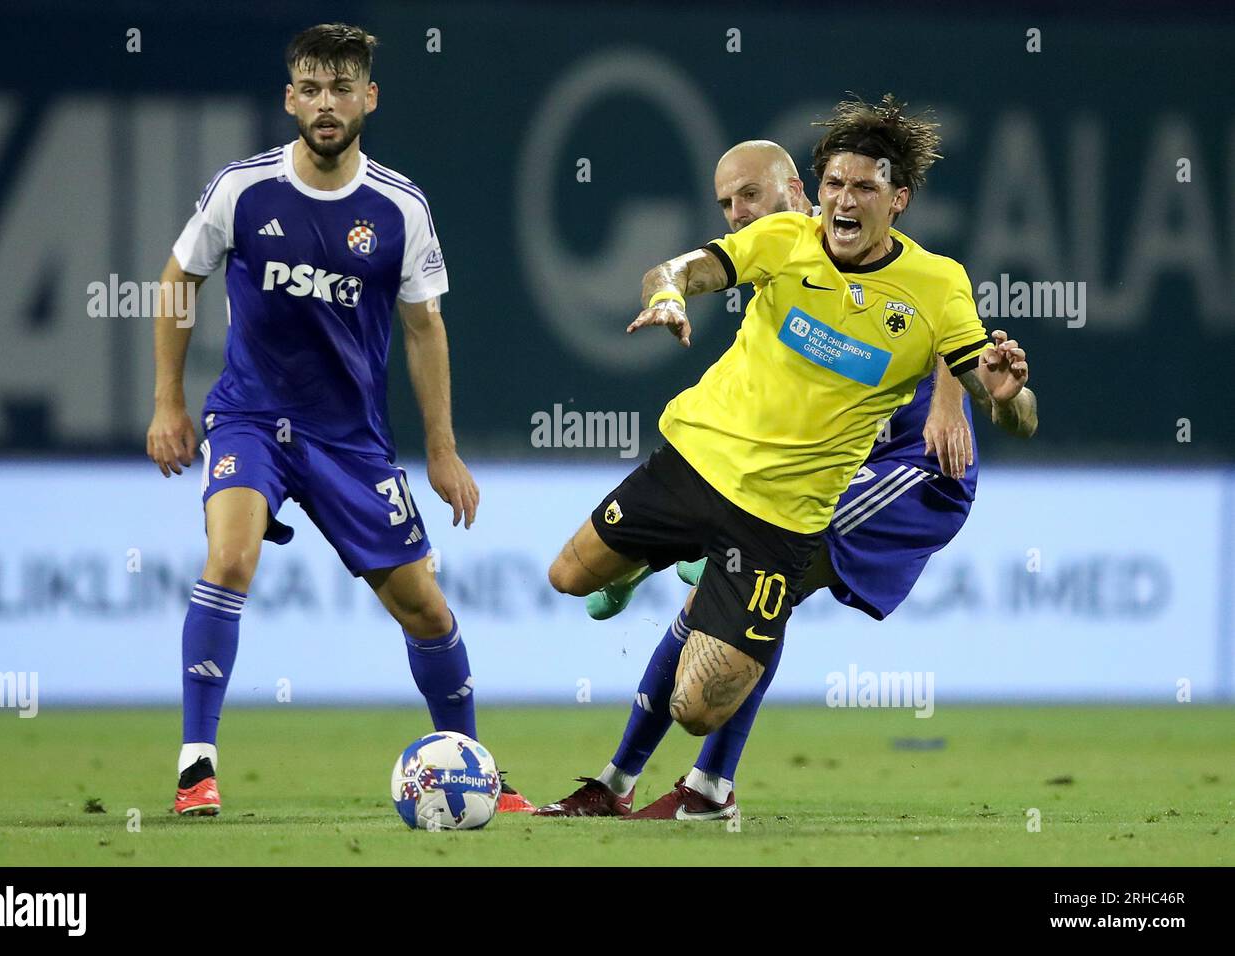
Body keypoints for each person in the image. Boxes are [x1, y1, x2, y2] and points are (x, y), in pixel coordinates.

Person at [541, 99, 1036, 819]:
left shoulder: (931, 284)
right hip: (719, 470)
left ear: (895, 200)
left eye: (863, 187)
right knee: (574, 576)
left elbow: (982, 372)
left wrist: (988, 394)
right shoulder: (784, 247)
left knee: (745, 632)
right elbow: (684, 269)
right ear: (816, 190)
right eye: (836, 183)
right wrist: (671, 292)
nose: (844, 199)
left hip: (897, 472)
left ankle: (700, 785)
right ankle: (655, 762)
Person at [145, 22, 532, 816]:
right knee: (230, 559)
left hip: (351, 441)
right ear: (291, 99)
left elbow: (425, 328)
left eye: (342, 88)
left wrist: (444, 449)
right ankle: (196, 768)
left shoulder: (399, 208)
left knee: (425, 606)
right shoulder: (242, 189)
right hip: (251, 417)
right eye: (312, 89)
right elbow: (178, 279)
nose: (327, 104)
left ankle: (477, 765)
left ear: (369, 98)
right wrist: (168, 402)